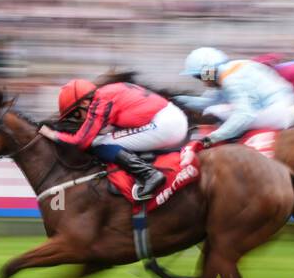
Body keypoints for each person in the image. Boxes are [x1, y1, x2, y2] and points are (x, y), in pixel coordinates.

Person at [39, 78, 187, 199]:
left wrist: (52, 134)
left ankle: (149, 174)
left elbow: (82, 142)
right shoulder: (108, 92)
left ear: (84, 102)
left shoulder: (100, 102)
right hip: (171, 117)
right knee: (107, 138)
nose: (78, 119)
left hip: (166, 124)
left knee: (98, 143)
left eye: (75, 114)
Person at [175, 47, 294, 144]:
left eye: (200, 76)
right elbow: (211, 101)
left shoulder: (230, 79)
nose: (202, 82)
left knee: (213, 111)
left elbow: (244, 115)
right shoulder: (229, 69)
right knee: (216, 108)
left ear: (209, 71)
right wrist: (177, 100)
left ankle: (227, 142)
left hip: (278, 113)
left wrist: (212, 138)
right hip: (284, 105)